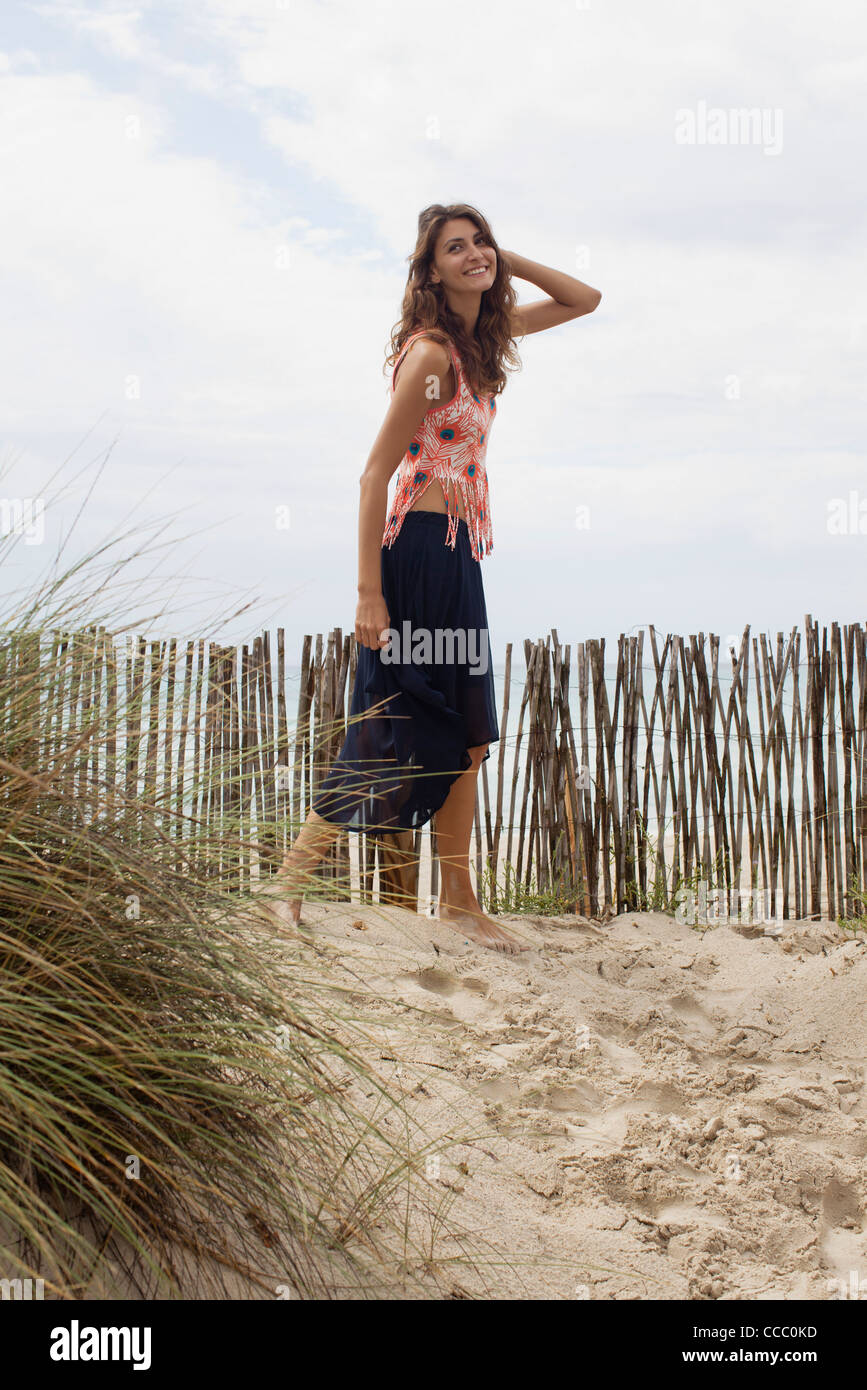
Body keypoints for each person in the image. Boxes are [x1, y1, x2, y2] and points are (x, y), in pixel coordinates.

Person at [261, 202, 601, 954]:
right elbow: (374, 473)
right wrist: (367, 592)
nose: (473, 253)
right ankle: (283, 887)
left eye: (479, 241)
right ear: (430, 269)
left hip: (457, 556)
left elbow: (585, 300)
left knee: (469, 737)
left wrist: (500, 256)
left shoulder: (483, 342)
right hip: (413, 553)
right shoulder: (431, 357)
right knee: (389, 727)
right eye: (456, 247)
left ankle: (458, 902)